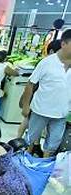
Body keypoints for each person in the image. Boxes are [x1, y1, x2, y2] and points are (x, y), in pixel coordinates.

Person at [21, 29, 71, 158]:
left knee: (53, 144)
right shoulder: (47, 62)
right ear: (64, 44)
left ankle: (43, 167)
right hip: (41, 110)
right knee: (30, 139)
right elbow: (30, 83)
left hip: (61, 113)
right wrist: (26, 106)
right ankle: (25, 162)